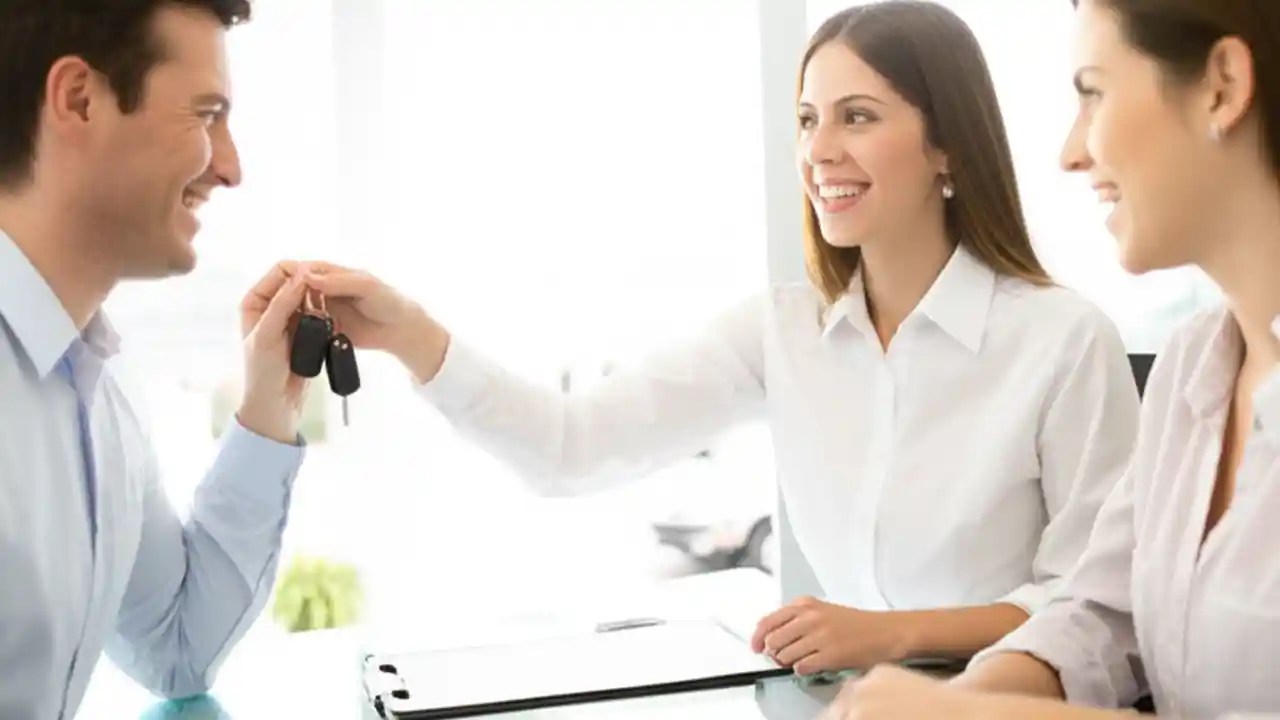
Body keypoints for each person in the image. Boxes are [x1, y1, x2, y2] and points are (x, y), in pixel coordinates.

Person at [293, 0, 1139, 675]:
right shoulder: (782, 330)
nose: (819, 151)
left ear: (948, 145)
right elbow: (571, 448)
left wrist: (889, 634)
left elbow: (1097, 610)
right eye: (807, 119)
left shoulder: (1063, 342)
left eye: (857, 117)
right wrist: (411, 336)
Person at [821, 0, 1280, 718]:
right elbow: (1103, 616)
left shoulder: (1063, 335)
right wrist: (960, 700)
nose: (1071, 151)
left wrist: (972, 715)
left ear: (1221, 86)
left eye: (1093, 93)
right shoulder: (1193, 365)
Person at [0, 1, 311, 717]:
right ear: (80, 100)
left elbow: (175, 645)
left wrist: (269, 405)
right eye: (206, 115)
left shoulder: (96, 380)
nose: (229, 168)